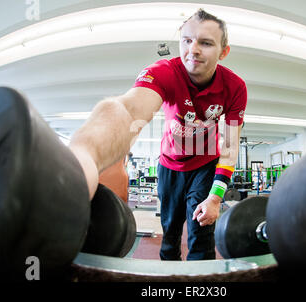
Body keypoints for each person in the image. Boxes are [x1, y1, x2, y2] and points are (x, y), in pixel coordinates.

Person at [69, 9, 247, 260]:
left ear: (223, 51)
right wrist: (84, 154)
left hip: (205, 164)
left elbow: (229, 146)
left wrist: (216, 197)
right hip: (169, 166)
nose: (193, 49)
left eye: (205, 43)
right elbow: (128, 111)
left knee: (201, 234)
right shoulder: (165, 71)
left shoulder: (235, 87)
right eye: (186, 40)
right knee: (170, 233)